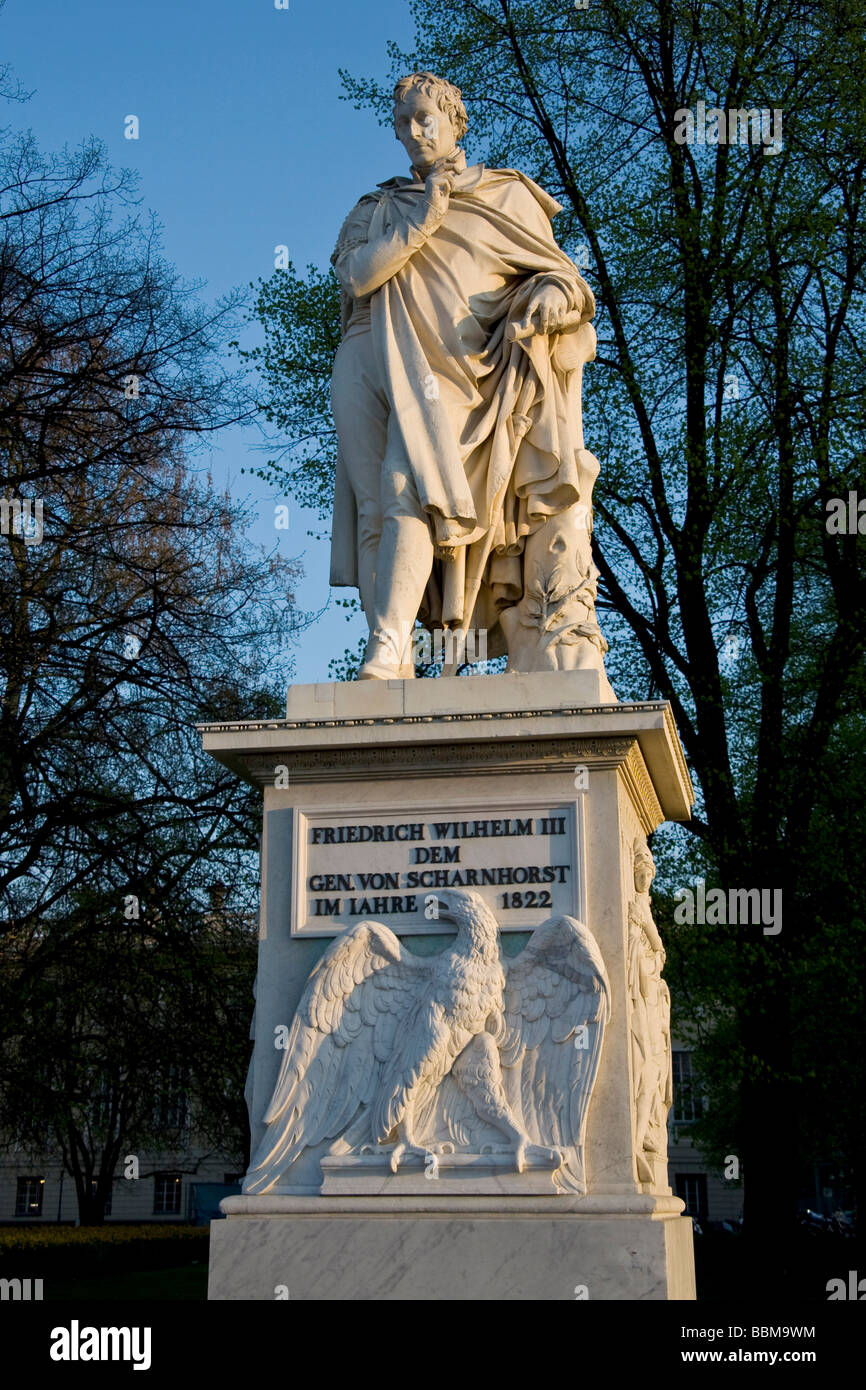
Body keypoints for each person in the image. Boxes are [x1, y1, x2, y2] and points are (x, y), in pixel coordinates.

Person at [330, 71, 604, 679]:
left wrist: (555, 297)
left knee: (408, 483)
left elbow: (564, 278)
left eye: (426, 117)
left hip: (454, 364)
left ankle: (390, 646)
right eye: (402, 122)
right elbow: (356, 278)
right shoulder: (379, 207)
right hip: (366, 356)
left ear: (457, 121)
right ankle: (391, 651)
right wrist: (423, 218)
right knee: (374, 508)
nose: (414, 132)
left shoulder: (506, 196)